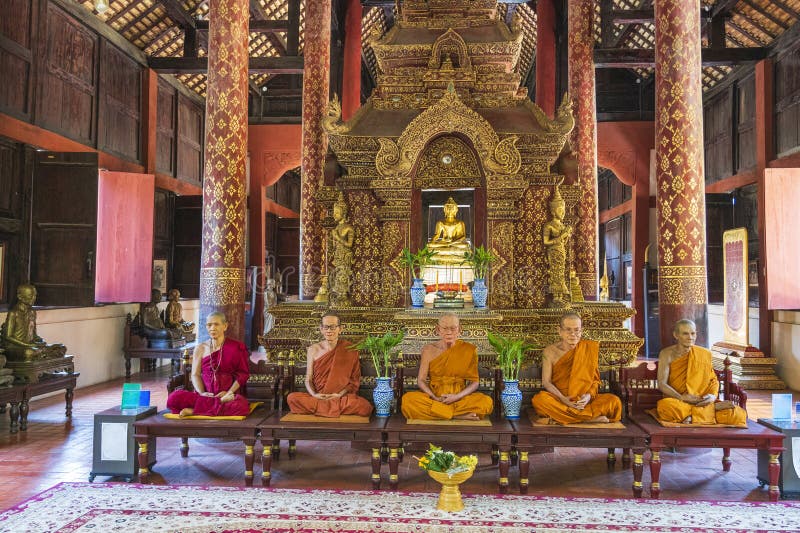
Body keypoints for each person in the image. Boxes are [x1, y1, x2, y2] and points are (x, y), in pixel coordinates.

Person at [531, 312, 622, 424]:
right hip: (561, 399)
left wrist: (588, 397)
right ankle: (588, 419)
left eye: (576, 330)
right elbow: (546, 382)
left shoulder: (589, 348)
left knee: (614, 401)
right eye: (568, 329)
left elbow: (595, 381)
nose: (573, 334)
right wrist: (563, 399)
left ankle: (567, 418)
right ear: (559, 331)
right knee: (539, 400)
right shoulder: (550, 351)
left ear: (581, 331)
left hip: (584, 402)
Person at [401, 313, 493, 420]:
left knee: (486, 402)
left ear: (460, 330)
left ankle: (440, 414)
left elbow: (475, 382)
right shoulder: (428, 350)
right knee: (408, 401)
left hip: (459, 398)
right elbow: (421, 380)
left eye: (453, 328)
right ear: (438, 329)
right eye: (444, 328)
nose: (449, 332)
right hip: (435, 398)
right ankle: (458, 416)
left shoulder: (468, 350)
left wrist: (457, 397)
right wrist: (434, 397)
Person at [655, 319, 747, 425]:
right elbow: (662, 384)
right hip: (679, 400)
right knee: (666, 408)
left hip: (701, 400)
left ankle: (692, 417)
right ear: (676, 335)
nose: (690, 337)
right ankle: (711, 410)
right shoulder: (667, 354)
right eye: (685, 334)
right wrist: (681, 397)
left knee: (737, 414)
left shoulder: (704, 354)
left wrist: (712, 396)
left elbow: (713, 380)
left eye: (693, 333)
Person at [287, 312, 373, 417]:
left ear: (340, 329)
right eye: (326, 327)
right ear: (321, 329)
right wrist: (315, 394)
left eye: (333, 327)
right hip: (318, 397)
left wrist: (339, 395)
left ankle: (323, 408)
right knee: (292, 398)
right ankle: (331, 408)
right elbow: (308, 378)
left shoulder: (350, 349)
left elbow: (354, 381)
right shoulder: (313, 349)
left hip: (339, 397)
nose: (329, 330)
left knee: (364, 406)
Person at [166, 312, 251, 417]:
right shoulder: (200, 348)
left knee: (241, 406)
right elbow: (195, 375)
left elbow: (243, 374)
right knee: (173, 398)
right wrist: (202, 393)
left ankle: (194, 411)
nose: (212, 328)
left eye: (216, 324)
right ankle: (216, 405)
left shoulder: (236, 347)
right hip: (205, 396)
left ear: (225, 326)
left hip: (228, 396)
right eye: (209, 325)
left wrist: (229, 392)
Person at [1, 283, 66, 361]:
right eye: (30, 295)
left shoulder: (32, 312)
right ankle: (41, 354)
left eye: (35, 295)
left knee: (60, 348)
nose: (33, 298)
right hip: (17, 347)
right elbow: (8, 336)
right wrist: (27, 345)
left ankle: (41, 353)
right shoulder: (14, 313)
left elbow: (34, 335)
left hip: (31, 346)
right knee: (29, 353)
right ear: (20, 297)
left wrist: (41, 342)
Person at [427, 197, 470, 264]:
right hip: (444, 243)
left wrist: (451, 243)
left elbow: (462, 237)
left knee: (465, 246)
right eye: (448, 207)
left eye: (452, 207)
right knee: (430, 245)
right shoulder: (440, 223)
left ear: (455, 210)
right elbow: (437, 235)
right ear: (445, 209)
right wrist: (432, 242)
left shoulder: (460, 223)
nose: (450, 209)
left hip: (455, 244)